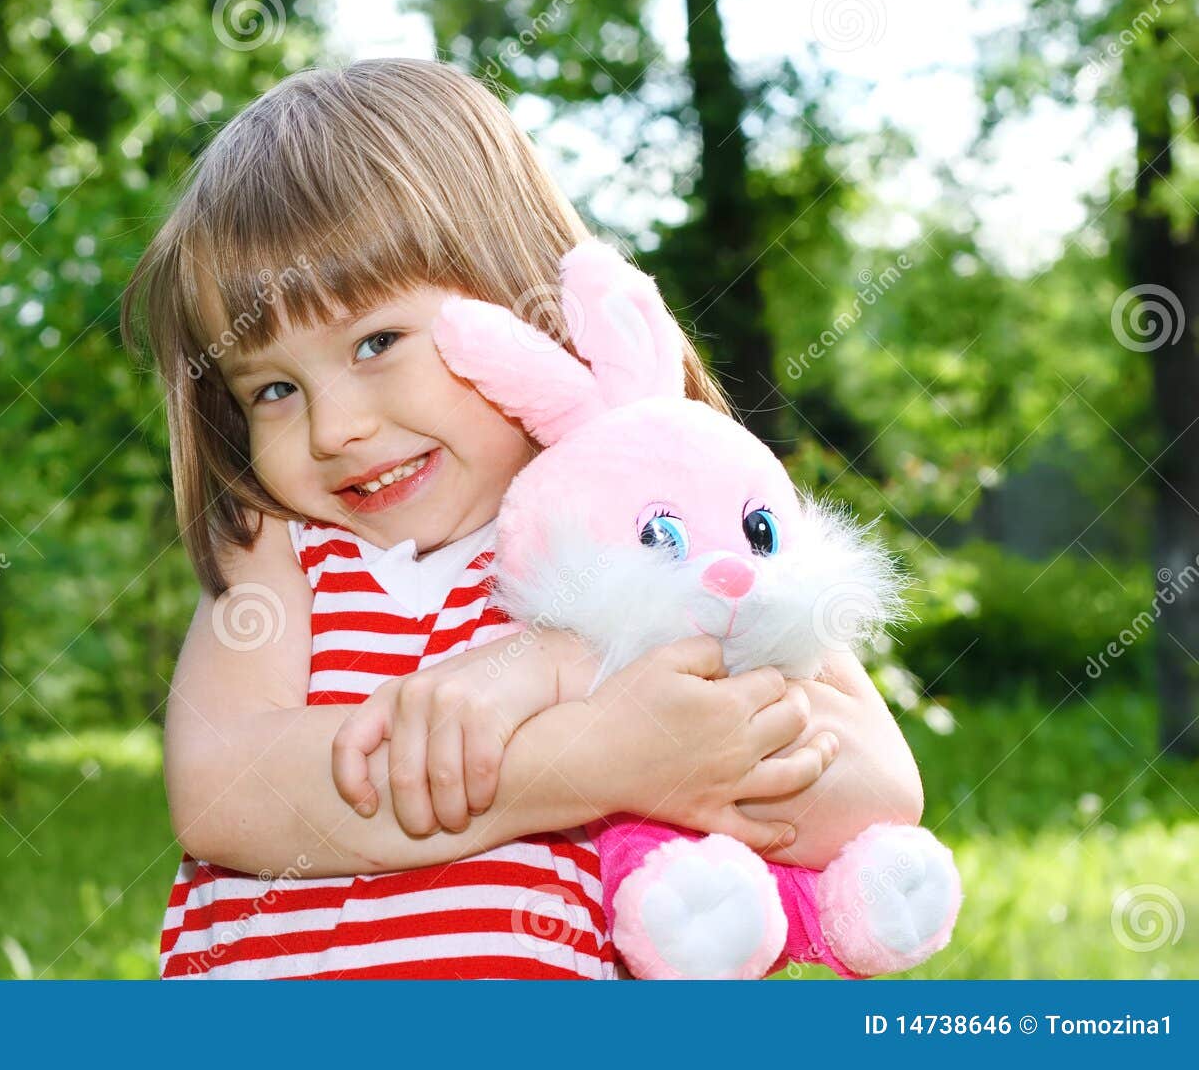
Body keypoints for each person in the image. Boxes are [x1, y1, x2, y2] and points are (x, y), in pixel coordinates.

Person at [122, 58, 924, 979]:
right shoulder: (284, 552)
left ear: (523, 304)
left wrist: (666, 740)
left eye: (378, 342)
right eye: (272, 388)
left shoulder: (649, 536)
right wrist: (588, 760)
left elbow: (877, 787)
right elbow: (225, 785)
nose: (335, 427)